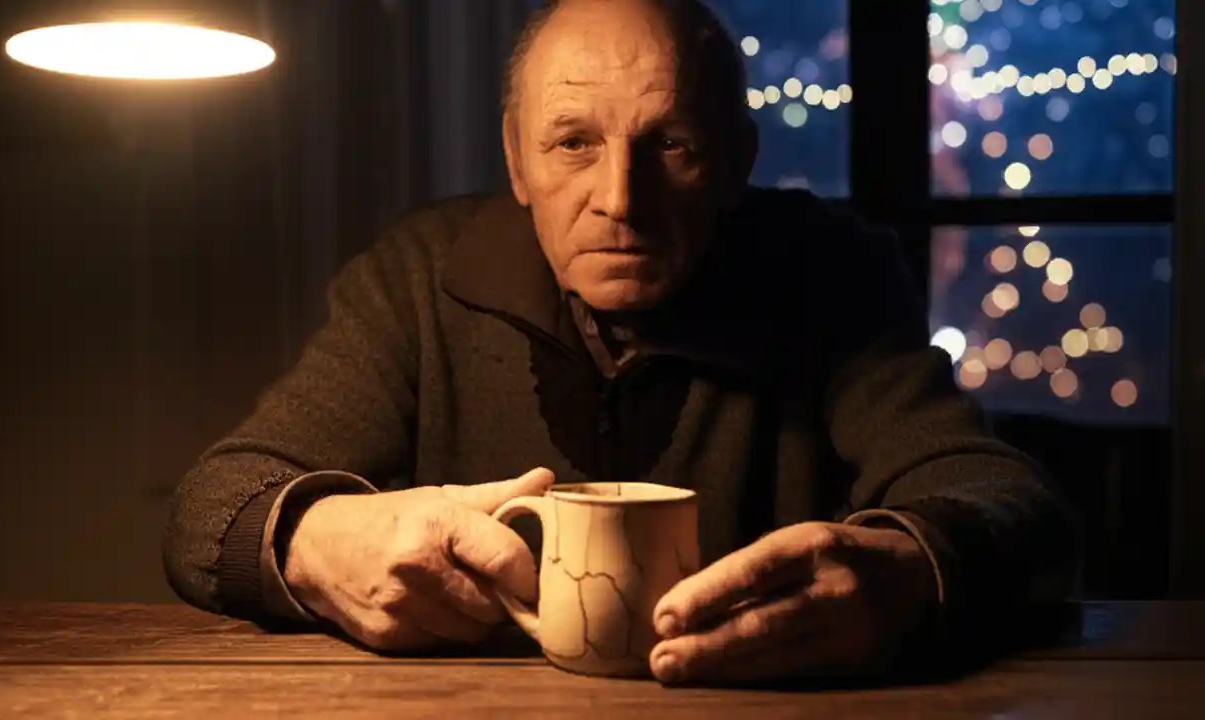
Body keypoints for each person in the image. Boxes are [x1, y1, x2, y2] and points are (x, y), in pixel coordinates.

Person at [163, 0, 1077, 685]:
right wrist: (319, 542)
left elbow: (1012, 504)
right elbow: (211, 507)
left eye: (671, 144)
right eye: (572, 143)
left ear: (737, 162)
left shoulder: (828, 273)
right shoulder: (418, 276)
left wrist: (905, 572)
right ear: (516, 160)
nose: (620, 201)